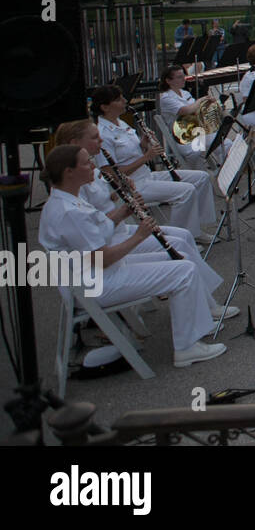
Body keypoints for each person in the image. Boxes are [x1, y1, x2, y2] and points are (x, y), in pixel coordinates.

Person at [39, 145, 230, 368]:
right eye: (86, 162)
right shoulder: (68, 211)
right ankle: (186, 347)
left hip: (93, 276)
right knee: (184, 271)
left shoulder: (66, 200)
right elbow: (102, 258)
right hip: (95, 284)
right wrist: (139, 236)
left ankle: (200, 324)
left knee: (180, 261)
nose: (93, 165)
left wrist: (122, 212)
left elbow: (96, 231)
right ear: (68, 172)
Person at [88, 89, 218, 238]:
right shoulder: (103, 133)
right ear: (105, 107)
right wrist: (146, 157)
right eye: (119, 99)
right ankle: (182, 236)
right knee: (186, 191)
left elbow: (133, 154)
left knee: (201, 178)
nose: (125, 101)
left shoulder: (121, 122)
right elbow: (110, 173)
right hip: (132, 185)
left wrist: (143, 144)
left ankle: (195, 227)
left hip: (146, 175)